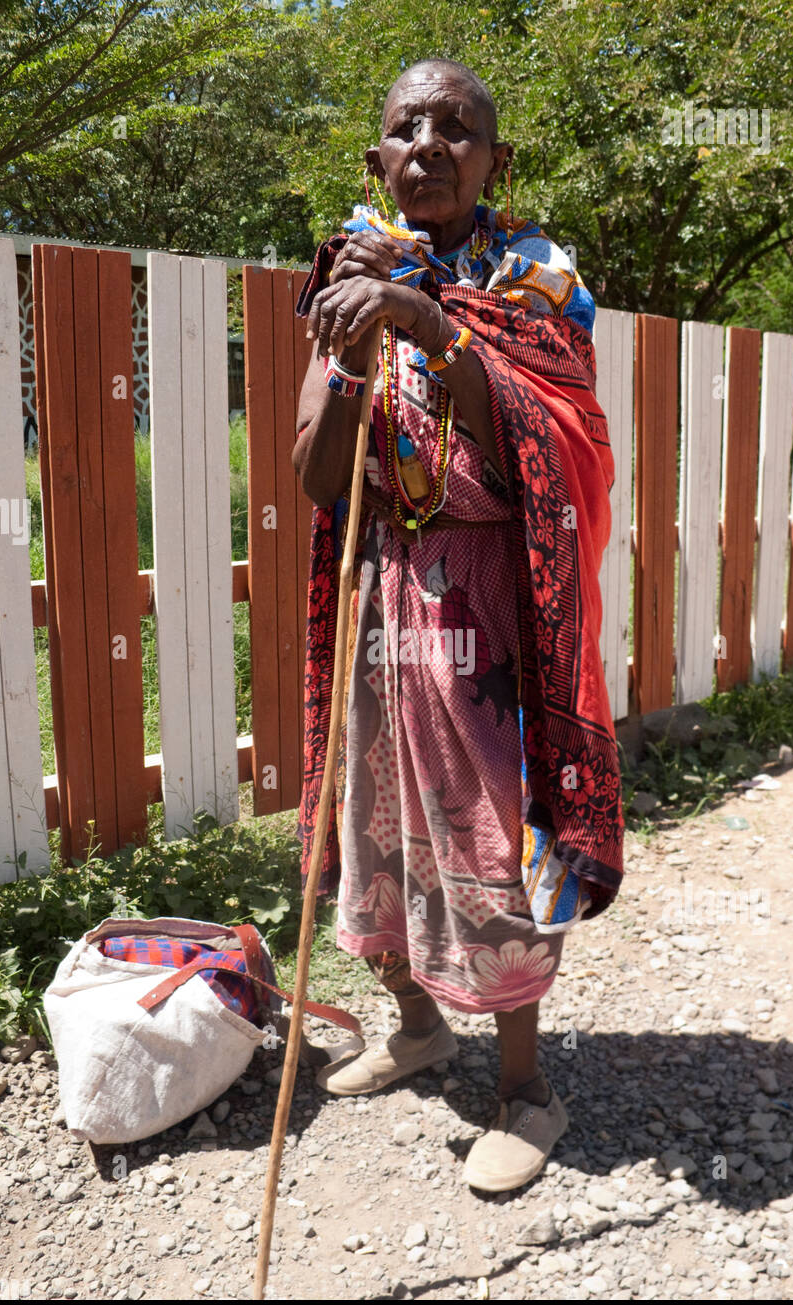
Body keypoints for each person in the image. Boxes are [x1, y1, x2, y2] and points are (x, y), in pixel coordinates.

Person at [292, 58, 624, 1192]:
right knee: (373, 824)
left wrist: (427, 323)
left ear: (496, 162)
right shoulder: (346, 277)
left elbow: (556, 437)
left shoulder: (538, 282)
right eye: (404, 126)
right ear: (374, 159)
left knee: (488, 841)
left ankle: (526, 1093)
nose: (428, 142)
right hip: (384, 597)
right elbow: (314, 480)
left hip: (495, 605)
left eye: (456, 126)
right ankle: (417, 1025)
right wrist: (347, 358)